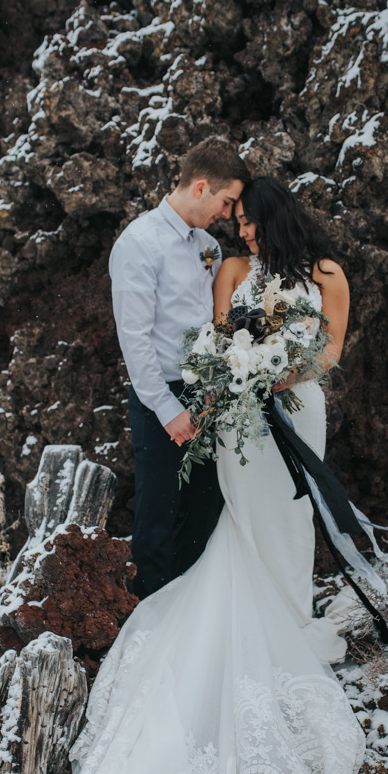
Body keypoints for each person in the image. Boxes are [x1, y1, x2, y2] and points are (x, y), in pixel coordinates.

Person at [15, 175, 367, 774]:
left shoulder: (330, 275)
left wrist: (286, 367)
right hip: (244, 422)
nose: (236, 227)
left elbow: (333, 348)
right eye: (230, 214)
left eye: (245, 216)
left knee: (291, 522)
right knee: (243, 523)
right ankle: (261, 629)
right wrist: (242, 369)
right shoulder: (234, 272)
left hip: (300, 409)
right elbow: (212, 340)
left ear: (270, 214)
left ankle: (289, 618)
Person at [109, 137, 250, 599]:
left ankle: (188, 616)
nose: (227, 214)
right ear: (202, 187)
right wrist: (169, 410)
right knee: (158, 512)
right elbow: (136, 340)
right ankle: (147, 617)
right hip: (161, 399)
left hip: (208, 395)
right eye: (226, 202)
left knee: (204, 507)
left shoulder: (208, 245)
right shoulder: (139, 243)